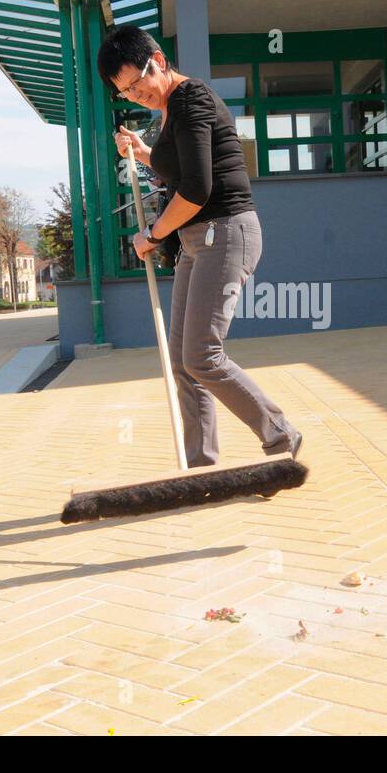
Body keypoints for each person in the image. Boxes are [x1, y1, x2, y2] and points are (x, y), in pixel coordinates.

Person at [99, 24, 302, 468]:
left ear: (159, 60)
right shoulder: (172, 110)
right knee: (183, 361)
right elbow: (179, 168)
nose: (135, 95)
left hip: (225, 232)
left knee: (202, 356)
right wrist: (144, 150)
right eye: (125, 92)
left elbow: (195, 190)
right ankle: (200, 463)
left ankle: (281, 434)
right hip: (198, 240)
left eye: (137, 83)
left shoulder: (191, 100)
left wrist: (151, 236)